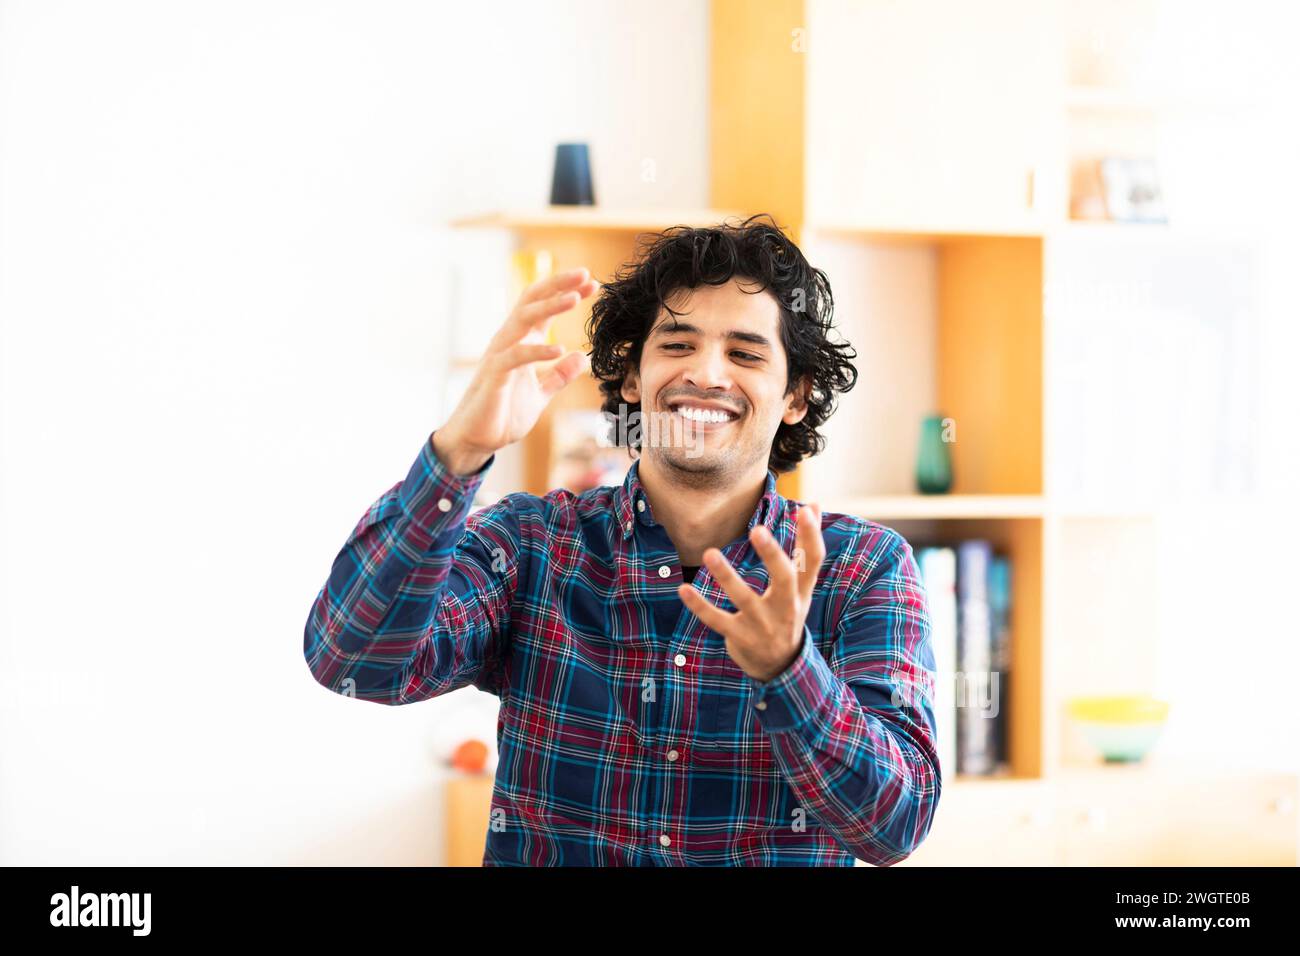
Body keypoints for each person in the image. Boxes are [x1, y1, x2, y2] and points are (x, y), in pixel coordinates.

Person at [303, 214, 941, 866]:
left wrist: (791, 670)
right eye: (677, 344)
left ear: (796, 396)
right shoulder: (531, 544)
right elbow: (354, 663)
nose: (707, 374)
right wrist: (459, 451)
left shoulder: (862, 567)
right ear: (633, 378)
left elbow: (895, 825)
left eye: (746, 354)